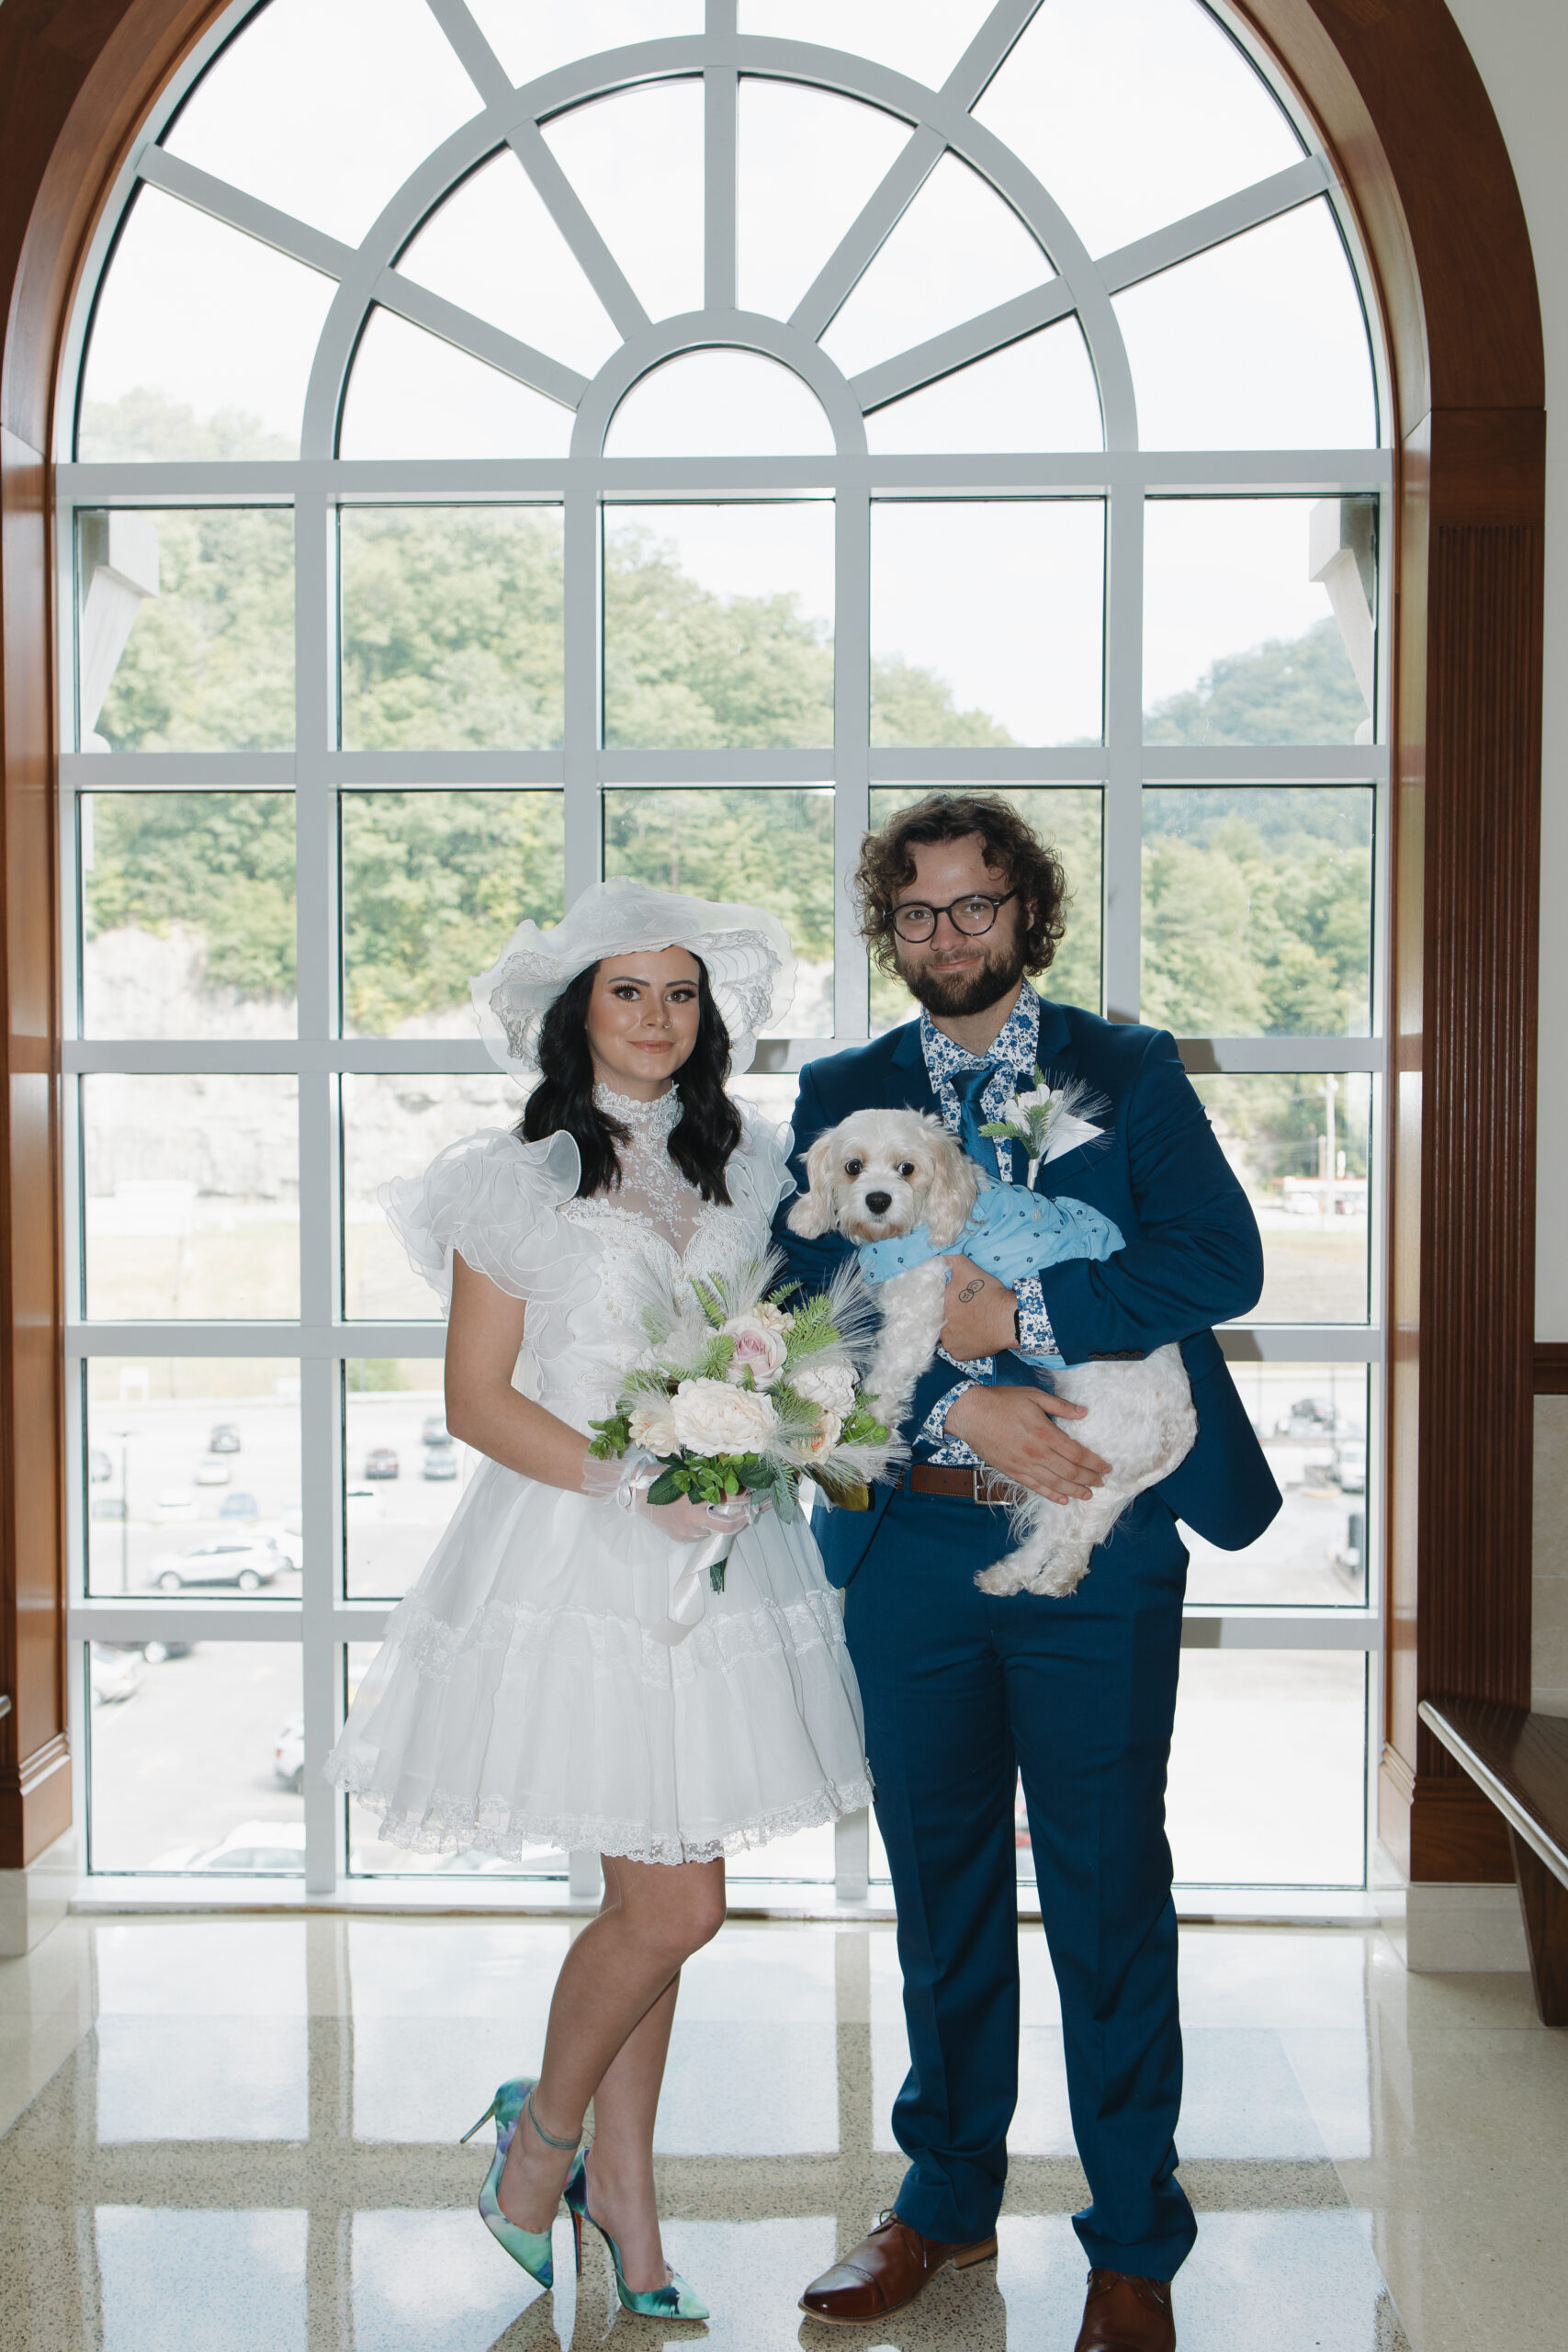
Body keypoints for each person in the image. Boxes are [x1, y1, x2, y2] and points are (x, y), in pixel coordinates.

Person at [325, 876, 872, 2322]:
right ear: (576, 1016)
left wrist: (778, 1427)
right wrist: (638, 1483)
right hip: (581, 1549)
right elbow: (473, 1401)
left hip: (723, 1564)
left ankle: (624, 2206)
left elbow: (777, 1341)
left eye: (681, 994)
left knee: (663, 1889)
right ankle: (543, 2139)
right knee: (678, 1904)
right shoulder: (509, 1180)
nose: (656, 1017)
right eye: (627, 992)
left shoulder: (749, 1169)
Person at [775, 796, 1281, 2352]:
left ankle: (1134, 2238)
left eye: (975, 906)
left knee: (1110, 1885)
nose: (948, 936)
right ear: (891, 929)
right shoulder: (841, 1090)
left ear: (1026, 913)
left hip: (1100, 1526)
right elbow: (803, 1312)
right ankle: (942, 2201)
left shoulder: (1127, 1071)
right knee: (940, 1881)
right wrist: (952, 1393)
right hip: (912, 1537)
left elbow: (1218, 1262)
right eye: (918, 913)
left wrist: (1028, 1328)